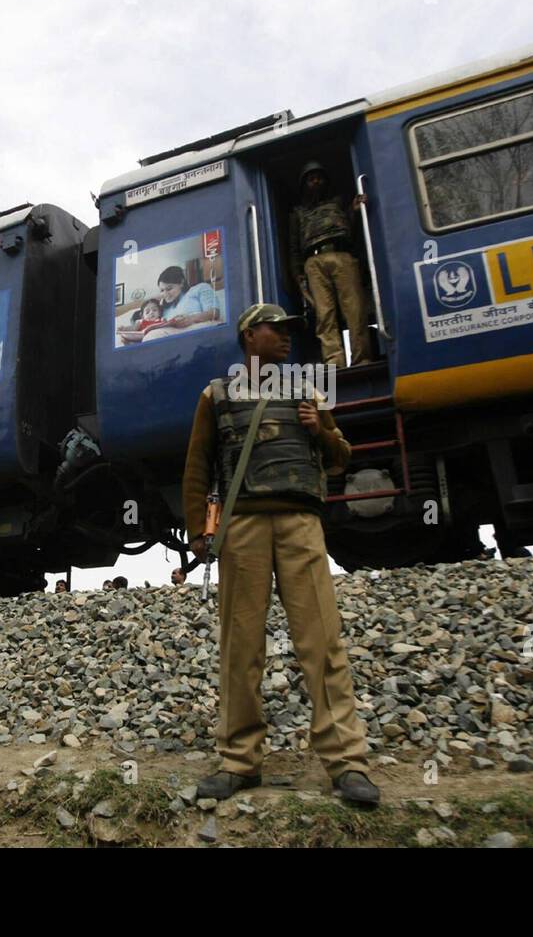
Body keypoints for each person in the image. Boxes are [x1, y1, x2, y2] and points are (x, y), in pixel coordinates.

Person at [182, 303, 380, 806]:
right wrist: (198, 533)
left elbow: (342, 457)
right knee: (240, 646)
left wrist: (322, 429)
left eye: (290, 330)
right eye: (277, 329)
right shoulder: (217, 395)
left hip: (301, 524)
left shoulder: (307, 391)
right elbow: (197, 466)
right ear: (250, 336)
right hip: (243, 525)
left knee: (321, 640)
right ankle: (239, 762)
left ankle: (346, 764)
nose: (288, 337)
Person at [288, 161, 374, 368]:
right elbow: (294, 247)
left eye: (319, 177)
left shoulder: (338, 203)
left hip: (342, 255)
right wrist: (298, 275)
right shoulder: (298, 213)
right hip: (313, 262)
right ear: (304, 185)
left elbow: (352, 232)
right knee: (325, 314)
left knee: (354, 309)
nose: (315, 181)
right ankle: (334, 359)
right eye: (311, 179)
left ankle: (361, 357)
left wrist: (354, 212)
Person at [156, 266, 219, 331]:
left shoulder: (199, 288)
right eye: (162, 290)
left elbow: (214, 313)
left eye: (169, 289)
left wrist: (191, 319)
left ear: (181, 282)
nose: (165, 294)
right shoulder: (165, 308)